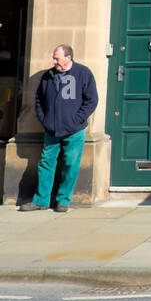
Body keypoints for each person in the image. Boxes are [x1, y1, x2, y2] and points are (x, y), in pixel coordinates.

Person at [20, 45, 98, 213]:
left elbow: (92, 100)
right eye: (54, 58)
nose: (54, 61)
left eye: (57, 58)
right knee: (46, 163)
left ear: (68, 57)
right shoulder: (48, 76)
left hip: (75, 130)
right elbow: (39, 100)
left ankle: (63, 200)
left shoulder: (83, 73)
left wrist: (77, 119)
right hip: (52, 130)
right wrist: (45, 120)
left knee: (70, 165)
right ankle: (41, 200)